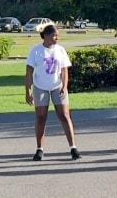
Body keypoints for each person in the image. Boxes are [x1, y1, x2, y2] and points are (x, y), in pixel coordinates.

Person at [25, 24, 79, 161]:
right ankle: (39, 149)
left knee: (64, 115)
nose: (57, 38)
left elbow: (65, 70)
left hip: (57, 86)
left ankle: (73, 148)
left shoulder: (60, 50)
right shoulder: (36, 51)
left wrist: (64, 86)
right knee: (41, 117)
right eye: (54, 35)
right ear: (47, 35)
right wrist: (28, 90)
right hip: (40, 87)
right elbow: (29, 71)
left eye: (57, 36)